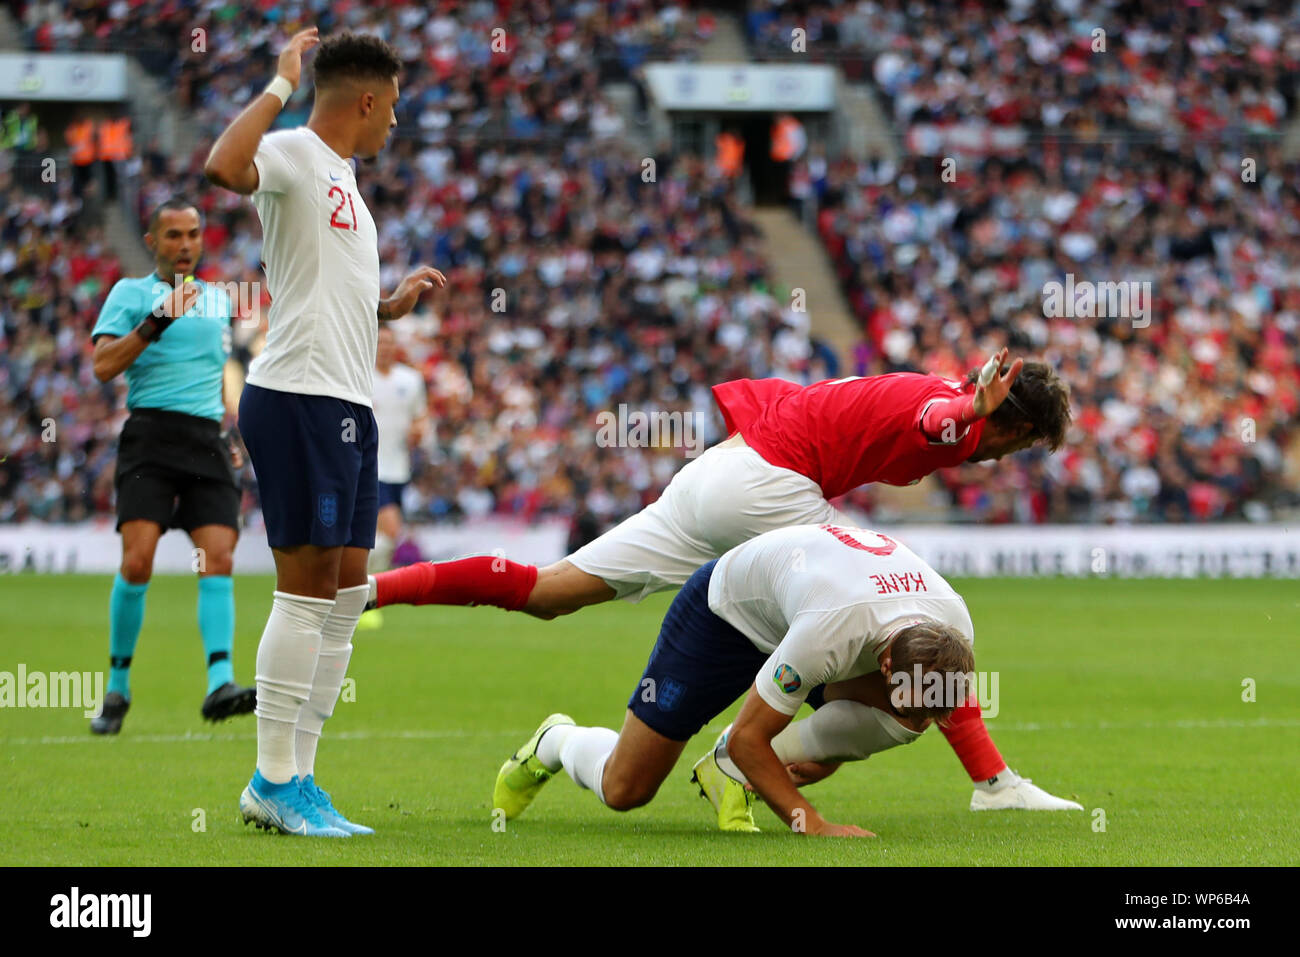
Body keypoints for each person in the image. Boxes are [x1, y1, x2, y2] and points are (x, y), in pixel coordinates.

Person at [374, 350, 1081, 811]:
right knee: (898, 647)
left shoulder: (932, 392)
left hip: (725, 472)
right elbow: (938, 420)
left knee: (549, 591)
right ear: (1008, 423)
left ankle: (381, 590)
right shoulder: (953, 416)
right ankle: (986, 781)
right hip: (767, 488)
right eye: (1014, 443)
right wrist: (972, 412)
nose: (1001, 457)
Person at [204, 28, 445, 837]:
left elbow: (323, 282)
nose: (396, 125)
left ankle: (302, 777)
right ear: (368, 99)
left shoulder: (341, 177)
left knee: (345, 594)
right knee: (305, 595)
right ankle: (271, 780)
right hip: (298, 395)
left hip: (349, 401)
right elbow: (222, 167)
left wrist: (388, 304)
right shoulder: (297, 152)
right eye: (395, 108)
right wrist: (279, 82)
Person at [493, 523, 988, 837]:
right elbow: (755, 739)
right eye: (914, 701)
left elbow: (904, 707)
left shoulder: (954, 626)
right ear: (884, 666)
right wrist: (809, 822)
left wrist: (821, 752)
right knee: (627, 788)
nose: (922, 720)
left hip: (803, 609)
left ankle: (725, 771)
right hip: (724, 612)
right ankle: (554, 740)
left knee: (862, 737)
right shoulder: (831, 632)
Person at [88, 197, 253, 735]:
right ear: (152, 242)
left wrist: (231, 430)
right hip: (150, 439)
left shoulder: (218, 300)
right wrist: (155, 322)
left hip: (205, 440)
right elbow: (103, 367)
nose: (184, 245)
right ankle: (117, 687)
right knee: (137, 563)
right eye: (173, 235)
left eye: (192, 234)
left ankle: (219, 684)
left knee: (218, 557)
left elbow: (217, 373)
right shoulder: (129, 294)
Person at [356, 327, 429, 630]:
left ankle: (353, 587)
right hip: (367, 466)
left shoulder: (410, 380)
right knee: (389, 529)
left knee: (378, 535)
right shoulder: (359, 377)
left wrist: (418, 432)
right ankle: (366, 596)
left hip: (398, 467)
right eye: (379, 342)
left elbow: (420, 417)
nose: (384, 347)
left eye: (389, 342)